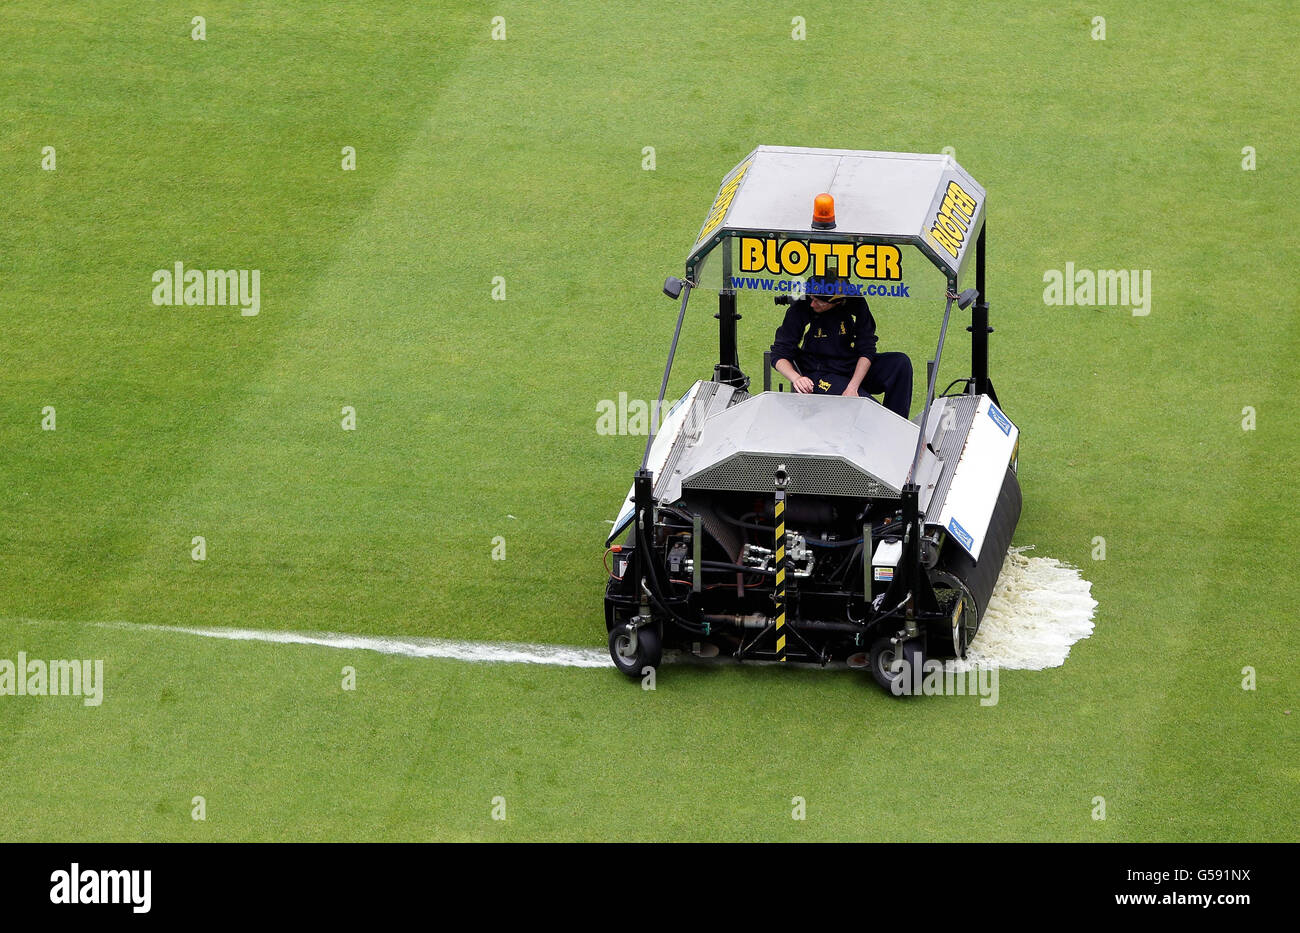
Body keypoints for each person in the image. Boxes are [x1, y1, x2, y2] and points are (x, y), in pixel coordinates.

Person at [770, 280, 913, 418]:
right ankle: (890, 430)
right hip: (820, 373)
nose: (812, 303)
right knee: (870, 411)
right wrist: (797, 378)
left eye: (819, 301)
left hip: (850, 366)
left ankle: (899, 425)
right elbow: (779, 353)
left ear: (837, 302)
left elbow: (867, 348)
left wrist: (852, 387)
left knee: (900, 363)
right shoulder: (802, 306)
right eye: (812, 298)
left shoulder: (855, 302)